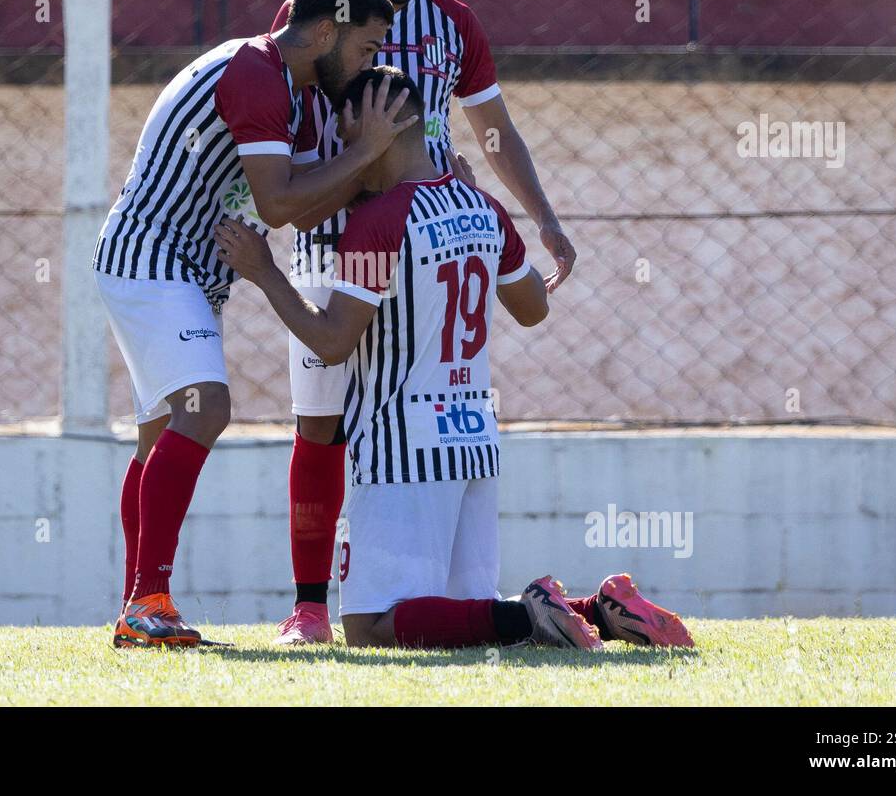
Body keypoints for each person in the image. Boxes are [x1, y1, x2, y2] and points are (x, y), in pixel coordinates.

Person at [216, 67, 693, 650]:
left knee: (368, 624)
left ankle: (534, 615)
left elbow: (334, 341)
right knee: (469, 616)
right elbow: (533, 306)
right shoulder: (483, 207)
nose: (340, 144)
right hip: (473, 440)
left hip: (400, 446)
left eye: (344, 125)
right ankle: (597, 608)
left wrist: (265, 274)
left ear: (379, 124)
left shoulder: (377, 223)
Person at [267, 0, 580, 644]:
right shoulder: (313, 12)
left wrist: (541, 216)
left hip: (428, 235)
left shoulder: (454, 25)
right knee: (320, 424)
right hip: (335, 236)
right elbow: (286, 124)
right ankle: (311, 607)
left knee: (418, 392)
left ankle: (434, 597)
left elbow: (493, 128)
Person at [100, 0, 419, 648]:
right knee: (205, 409)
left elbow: (301, 208)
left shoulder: (291, 93)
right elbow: (278, 204)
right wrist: (366, 153)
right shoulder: (255, 71)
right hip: (153, 258)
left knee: (159, 436)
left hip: (179, 269)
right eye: (364, 48)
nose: (367, 64)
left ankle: (139, 608)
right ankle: (145, 601)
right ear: (328, 27)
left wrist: (369, 167)